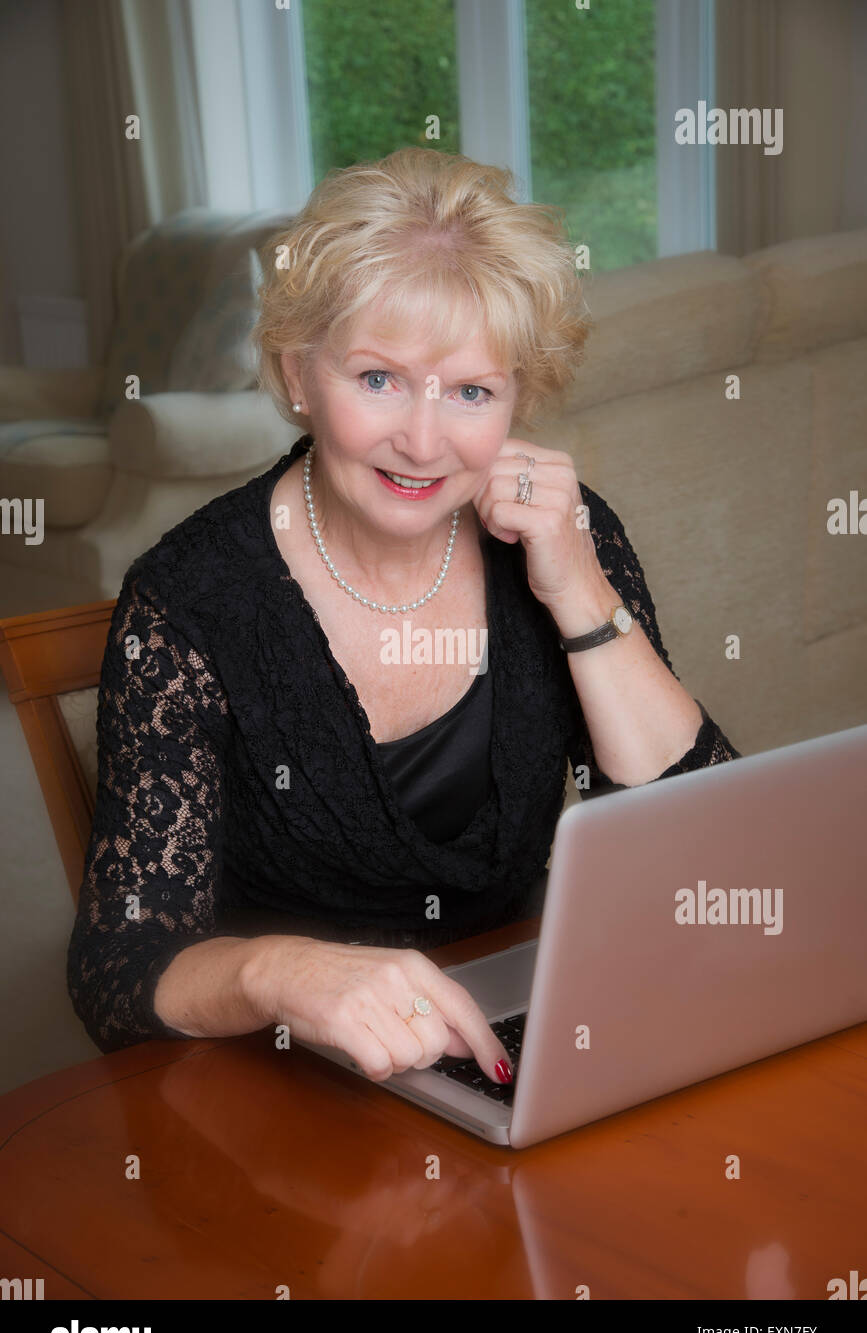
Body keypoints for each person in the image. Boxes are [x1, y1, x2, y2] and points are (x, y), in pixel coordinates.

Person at [68, 147, 740, 1090]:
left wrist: (580, 596)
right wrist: (277, 969)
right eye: (378, 378)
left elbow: (699, 855)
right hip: (284, 1078)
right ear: (299, 371)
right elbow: (113, 975)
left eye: (471, 391)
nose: (423, 443)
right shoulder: (188, 602)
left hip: (509, 1033)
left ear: (517, 399)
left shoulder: (558, 533)